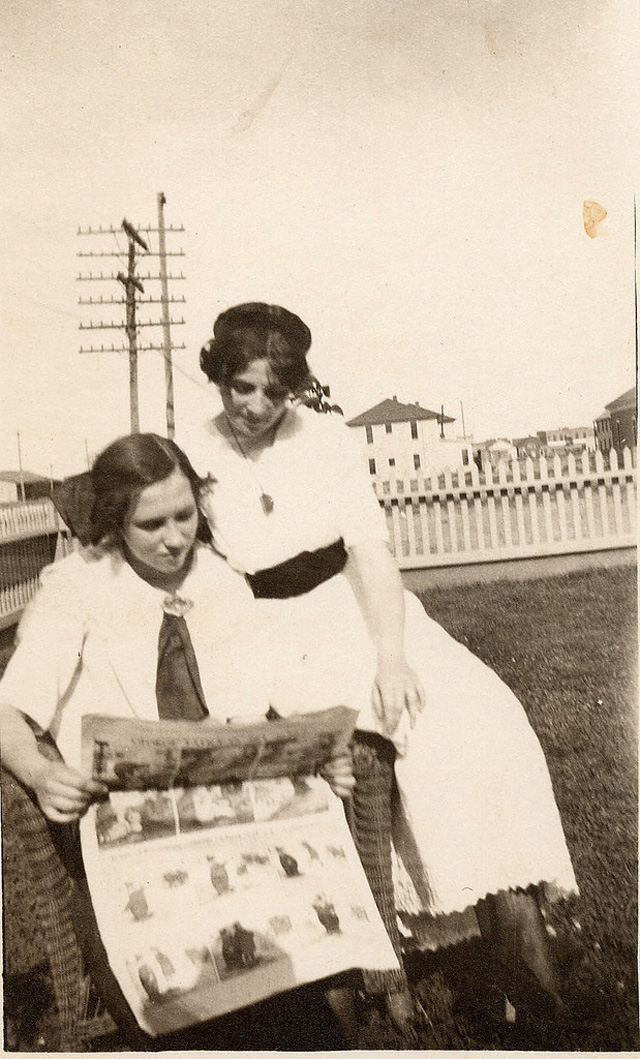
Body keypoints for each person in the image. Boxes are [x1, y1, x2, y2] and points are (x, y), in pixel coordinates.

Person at [187, 301, 580, 1036]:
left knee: (478, 723)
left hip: (352, 605)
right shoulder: (193, 446)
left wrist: (392, 656)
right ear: (218, 375)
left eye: (274, 391)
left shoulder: (326, 436)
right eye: (242, 387)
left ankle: (516, 953)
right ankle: (378, 962)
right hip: (259, 625)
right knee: (367, 744)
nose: (256, 406)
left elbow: (369, 548)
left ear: (295, 388)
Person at [0, 432, 354, 1051]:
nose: (174, 538)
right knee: (175, 1002)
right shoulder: (76, 588)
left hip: (234, 825)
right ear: (115, 523)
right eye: (151, 524)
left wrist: (325, 757)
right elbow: (8, 707)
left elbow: (283, 693)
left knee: (289, 1002)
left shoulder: (221, 583)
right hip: (124, 836)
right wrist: (35, 769)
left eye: (185, 516)